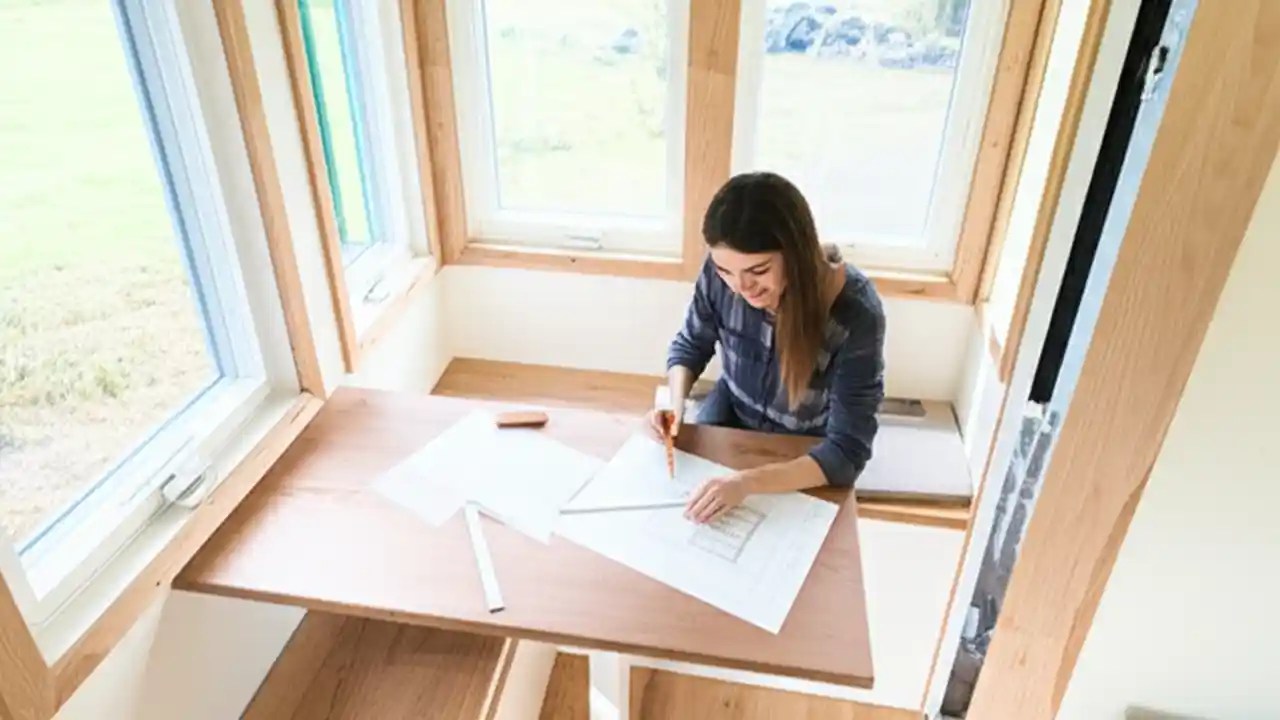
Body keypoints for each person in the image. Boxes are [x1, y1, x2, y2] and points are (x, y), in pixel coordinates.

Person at [650, 172, 886, 524]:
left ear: (797, 252)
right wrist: (674, 405)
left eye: (758, 270)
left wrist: (746, 483)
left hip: (803, 446)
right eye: (725, 271)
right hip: (730, 412)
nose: (740, 286)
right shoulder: (722, 276)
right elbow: (690, 345)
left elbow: (846, 453)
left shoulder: (856, 314)